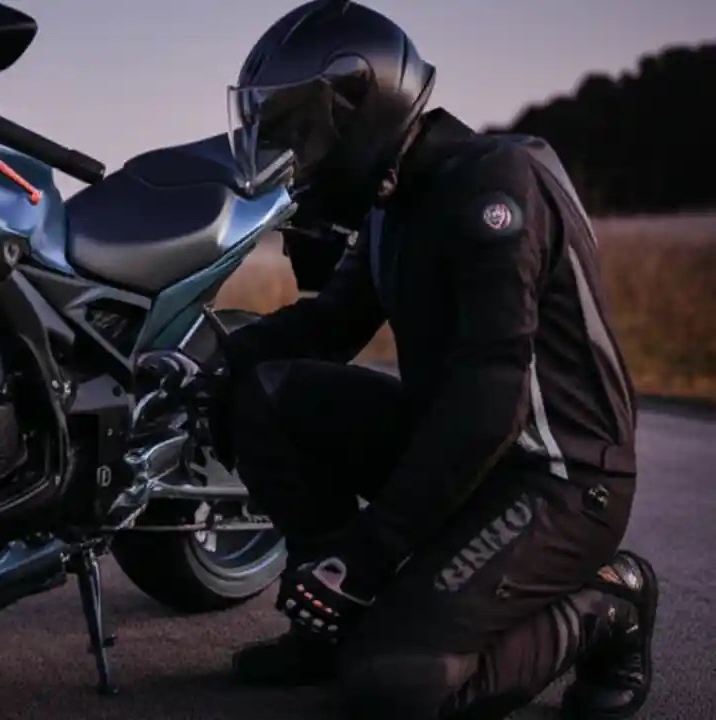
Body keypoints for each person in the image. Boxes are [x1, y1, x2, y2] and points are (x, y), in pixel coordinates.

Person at [212, 1, 656, 717]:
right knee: (259, 392)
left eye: (302, 127)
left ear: (362, 105)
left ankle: (611, 602)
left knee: (394, 685)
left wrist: (369, 551)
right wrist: (201, 359)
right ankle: (337, 624)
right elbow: (329, 326)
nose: (292, 151)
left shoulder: (493, 189)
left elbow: (491, 402)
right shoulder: (396, 201)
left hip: (559, 479)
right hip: (465, 450)